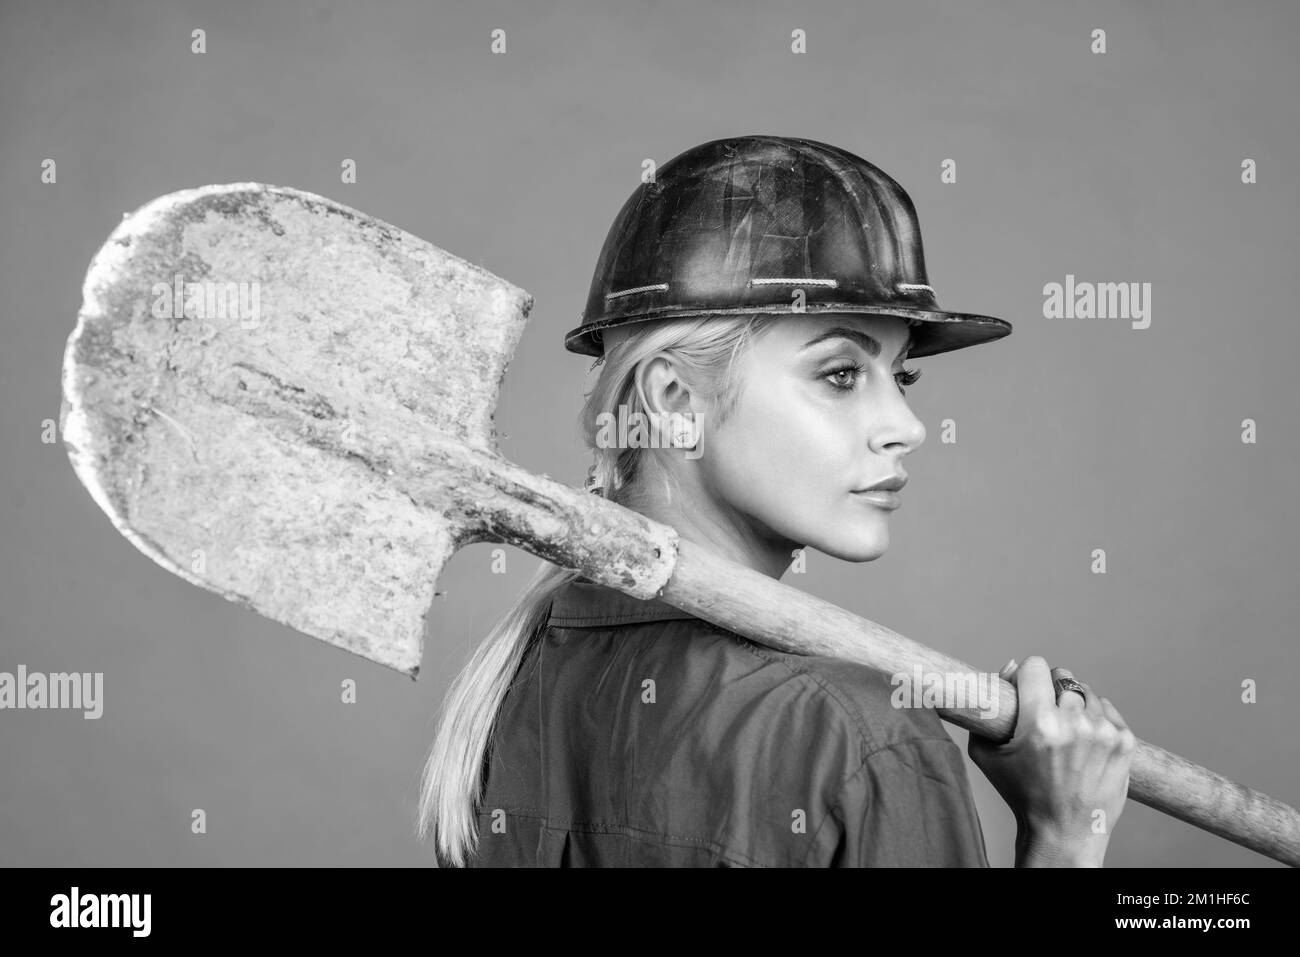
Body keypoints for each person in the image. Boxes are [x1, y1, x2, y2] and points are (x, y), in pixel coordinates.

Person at [416, 136, 1136, 867]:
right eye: (841, 373)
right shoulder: (860, 739)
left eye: (903, 377)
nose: (907, 427)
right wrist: (1066, 837)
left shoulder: (513, 687)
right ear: (674, 398)